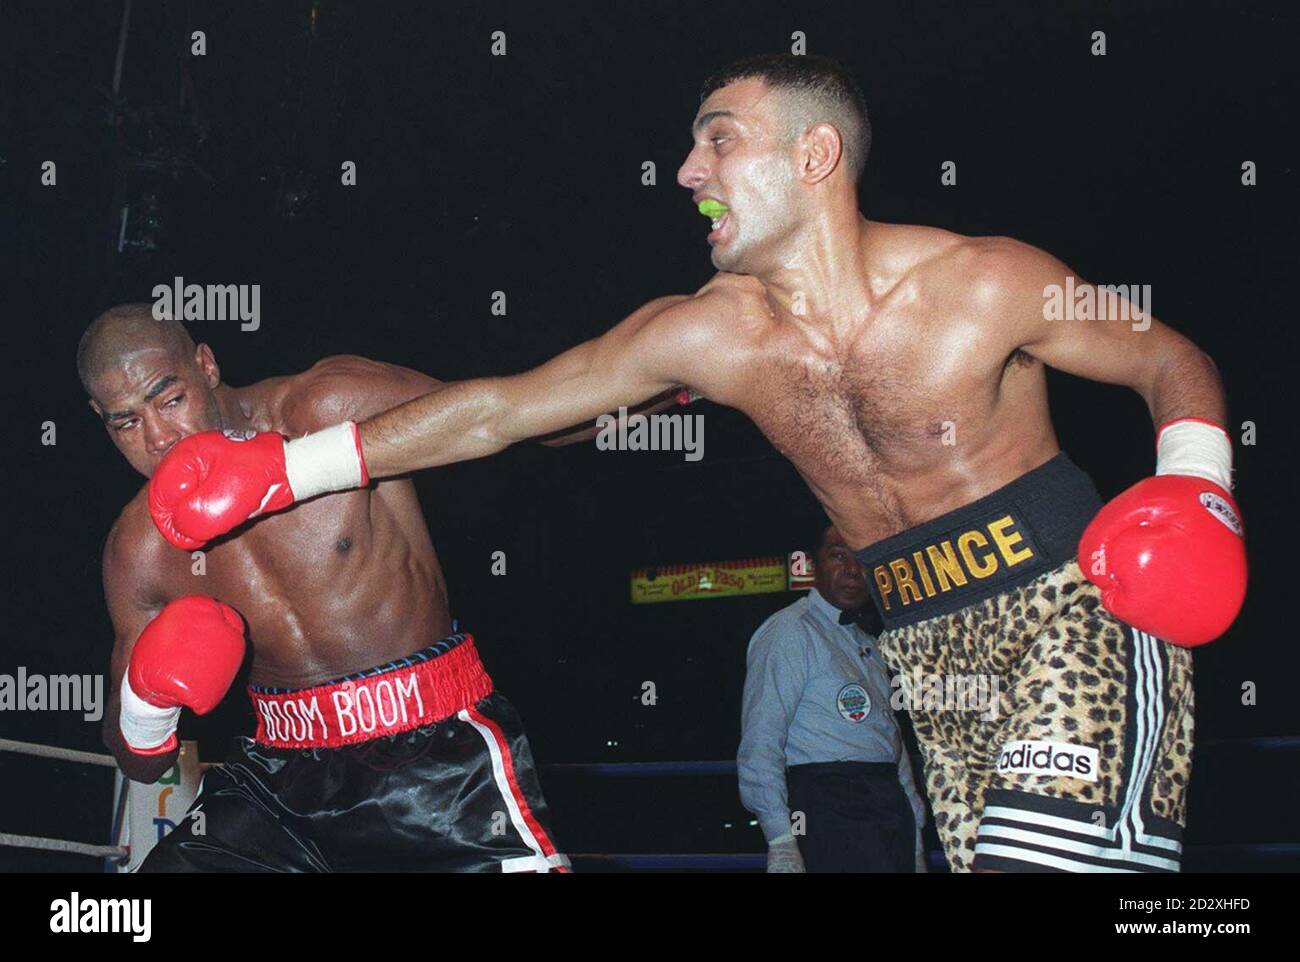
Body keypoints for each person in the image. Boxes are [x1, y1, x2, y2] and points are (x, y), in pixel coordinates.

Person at [142, 54, 1246, 872]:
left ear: (815, 158)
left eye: (718, 139)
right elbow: (502, 410)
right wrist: (289, 471)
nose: (684, 171)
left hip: (1068, 608)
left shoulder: (984, 282)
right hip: (924, 653)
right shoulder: (706, 333)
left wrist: (1198, 489)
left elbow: (1167, 357)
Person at [81, 304, 569, 872]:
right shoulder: (138, 548)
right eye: (127, 423)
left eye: (170, 400)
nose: (160, 437)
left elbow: (510, 413)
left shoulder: (326, 407)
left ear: (206, 365)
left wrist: (652, 391)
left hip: (431, 757)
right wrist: (147, 705)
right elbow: (134, 758)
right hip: (274, 784)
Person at [739, 523, 926, 873]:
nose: (853, 571)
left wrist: (914, 831)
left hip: (887, 809)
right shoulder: (789, 631)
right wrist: (780, 839)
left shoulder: (869, 642)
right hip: (828, 808)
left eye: (863, 561)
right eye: (839, 556)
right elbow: (761, 739)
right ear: (814, 565)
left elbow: (889, 742)